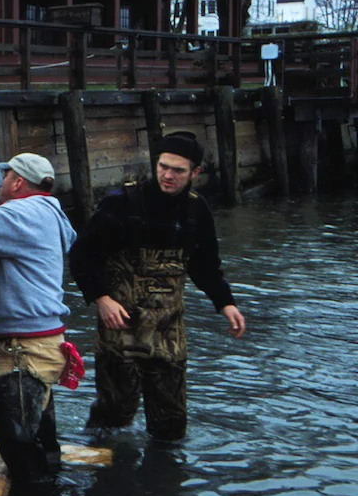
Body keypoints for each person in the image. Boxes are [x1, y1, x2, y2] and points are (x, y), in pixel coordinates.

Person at [69, 131, 247, 441]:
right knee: (113, 418)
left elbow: (205, 265)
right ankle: (106, 476)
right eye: (163, 166)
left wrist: (226, 303)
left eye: (178, 170)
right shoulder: (121, 203)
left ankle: (166, 482)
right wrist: (101, 298)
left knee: (172, 425)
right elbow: (83, 255)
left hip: (168, 331)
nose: (167, 175)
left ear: (195, 173)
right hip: (121, 327)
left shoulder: (197, 210)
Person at [0, 152, 79, 483]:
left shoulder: (26, 214)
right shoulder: (47, 214)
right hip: (41, 345)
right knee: (40, 444)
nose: (1, 183)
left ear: (18, 182)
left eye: (6, 177)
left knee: (20, 446)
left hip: (23, 352)